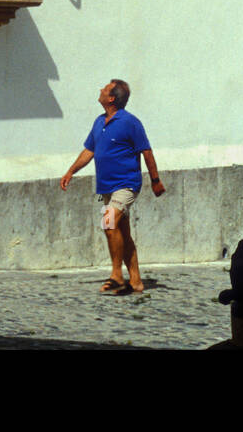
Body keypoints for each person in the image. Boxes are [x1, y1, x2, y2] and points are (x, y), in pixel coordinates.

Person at [60, 79, 165, 295]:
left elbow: (146, 151)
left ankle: (117, 275)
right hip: (106, 188)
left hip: (126, 184)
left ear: (112, 98)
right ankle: (135, 281)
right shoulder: (99, 122)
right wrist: (71, 171)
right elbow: (89, 151)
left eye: (105, 89)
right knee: (121, 233)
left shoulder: (130, 122)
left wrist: (155, 180)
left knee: (108, 222)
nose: (100, 89)